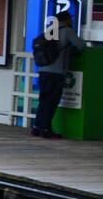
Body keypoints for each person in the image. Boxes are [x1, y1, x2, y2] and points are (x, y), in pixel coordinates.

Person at [33, 10, 86, 139]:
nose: (72, 21)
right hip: (56, 73)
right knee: (51, 101)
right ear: (67, 20)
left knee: (44, 99)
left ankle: (37, 127)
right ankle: (46, 129)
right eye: (70, 19)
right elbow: (81, 45)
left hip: (43, 70)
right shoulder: (67, 30)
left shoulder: (50, 30)